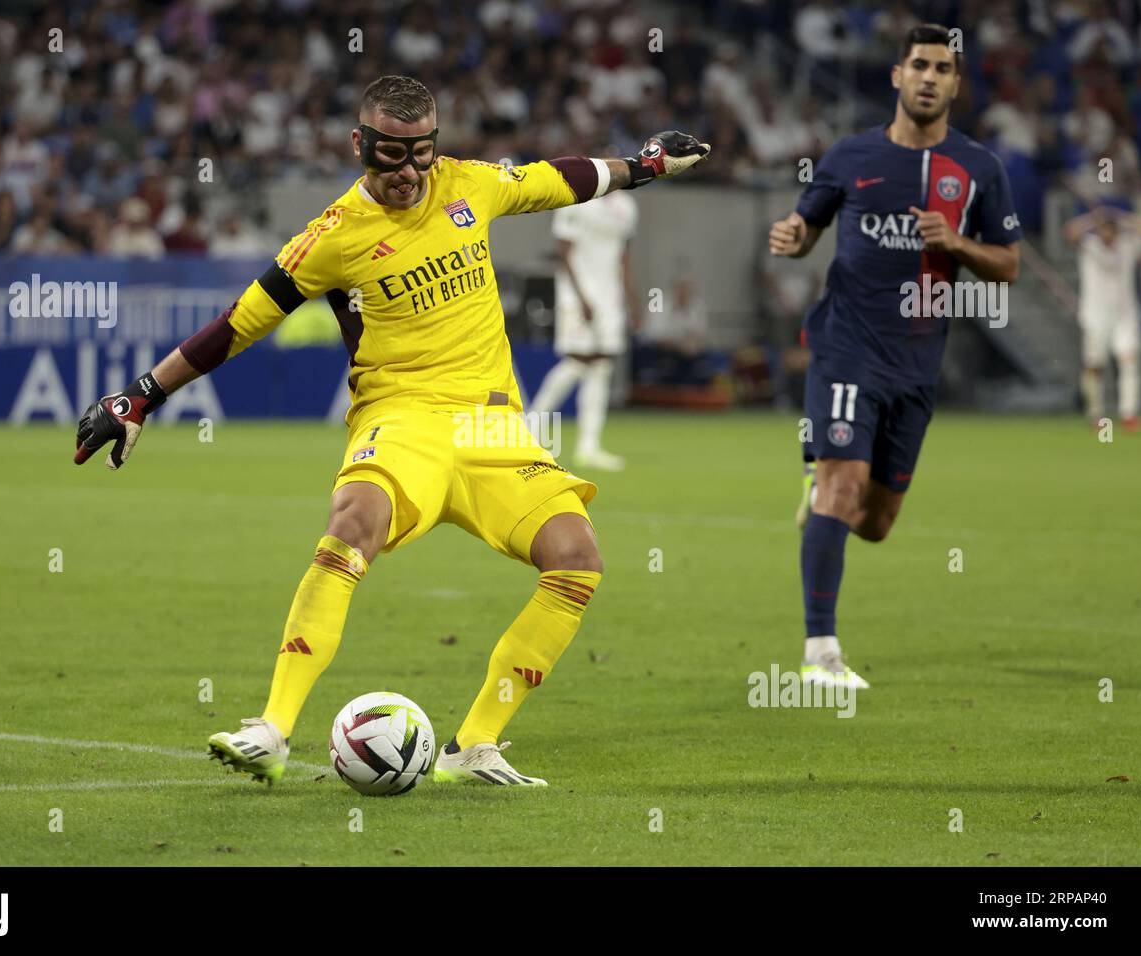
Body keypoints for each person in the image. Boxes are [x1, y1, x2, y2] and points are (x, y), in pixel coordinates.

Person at [72, 75, 709, 785]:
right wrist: (141, 395)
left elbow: (562, 178)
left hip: (494, 429)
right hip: (401, 419)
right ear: (358, 145)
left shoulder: (470, 184)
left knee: (577, 557)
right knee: (352, 522)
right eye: (389, 155)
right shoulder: (333, 237)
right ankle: (274, 729)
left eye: (421, 153)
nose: (407, 172)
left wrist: (645, 166)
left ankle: (473, 748)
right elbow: (238, 324)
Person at [768, 25, 1021, 689]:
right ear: (897, 75)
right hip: (847, 347)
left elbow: (1010, 265)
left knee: (874, 522)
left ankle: (816, 479)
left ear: (956, 83)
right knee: (841, 488)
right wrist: (792, 238)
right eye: (919, 65)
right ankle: (820, 653)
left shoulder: (978, 169)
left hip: (916, 365)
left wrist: (960, 246)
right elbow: (805, 229)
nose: (930, 77)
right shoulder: (850, 156)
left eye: (943, 68)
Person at [529, 178, 638, 470]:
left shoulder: (627, 206)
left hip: (610, 296)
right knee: (577, 360)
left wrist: (631, 297)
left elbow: (624, 254)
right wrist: (581, 297)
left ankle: (589, 447)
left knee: (601, 366)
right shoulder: (577, 199)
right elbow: (563, 250)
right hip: (577, 294)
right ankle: (531, 427)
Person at [1064, 206, 1141, 431]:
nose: (1108, 236)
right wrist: (1093, 218)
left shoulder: (1127, 246)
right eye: (1104, 230)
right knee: (1095, 365)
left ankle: (1129, 414)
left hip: (1124, 314)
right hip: (1095, 315)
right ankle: (1096, 415)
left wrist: (1121, 217)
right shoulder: (1090, 245)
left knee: (1129, 361)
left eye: (1111, 231)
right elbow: (1071, 232)